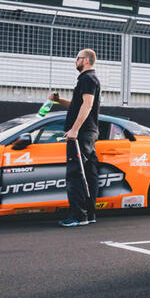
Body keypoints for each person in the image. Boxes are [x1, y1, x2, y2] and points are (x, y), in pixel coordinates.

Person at [48, 48, 101, 227]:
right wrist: (59, 100)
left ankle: (78, 216)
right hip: (87, 133)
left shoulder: (87, 79)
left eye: (77, 58)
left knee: (75, 174)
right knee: (88, 173)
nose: (75, 61)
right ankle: (89, 214)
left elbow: (87, 104)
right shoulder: (88, 80)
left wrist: (74, 130)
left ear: (86, 60)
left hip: (81, 134)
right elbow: (77, 105)